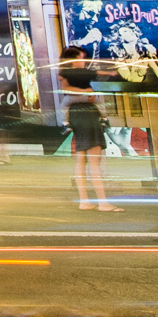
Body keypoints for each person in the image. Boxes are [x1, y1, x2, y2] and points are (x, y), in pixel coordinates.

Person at [59, 47, 120, 213]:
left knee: (81, 160)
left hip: (77, 116)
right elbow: (67, 89)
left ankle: (84, 201)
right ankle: (102, 202)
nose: (84, 62)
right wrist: (87, 92)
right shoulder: (73, 75)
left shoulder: (66, 73)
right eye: (81, 58)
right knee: (94, 162)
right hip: (87, 115)